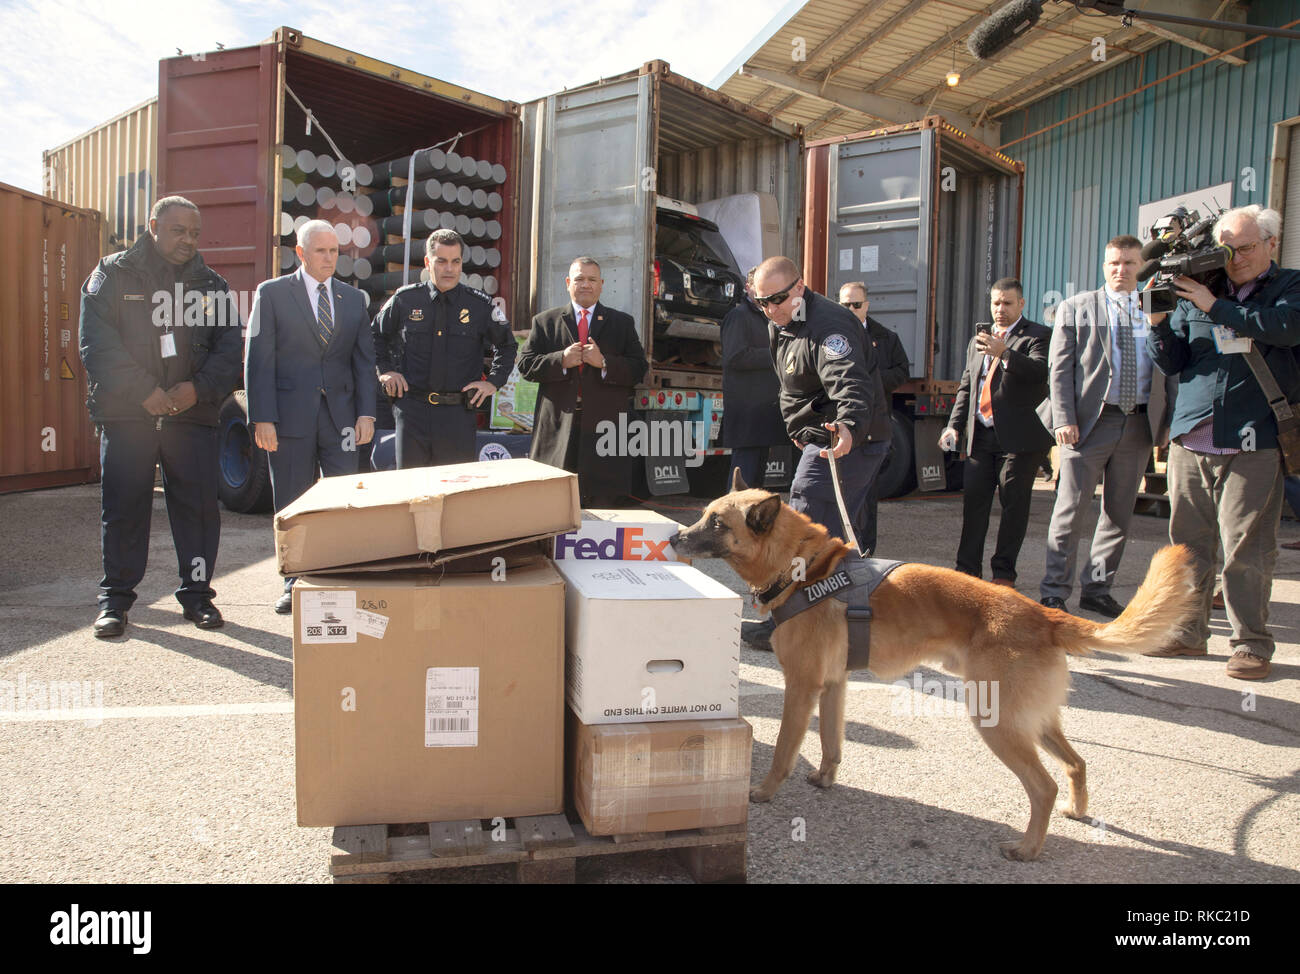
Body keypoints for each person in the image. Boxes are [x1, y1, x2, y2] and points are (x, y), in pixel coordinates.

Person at [1145, 204, 1300, 680]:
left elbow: (1285, 329)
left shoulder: (1288, 287)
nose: (1236, 257)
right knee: (1189, 545)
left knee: (1246, 548)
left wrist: (1215, 306)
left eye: (1246, 247)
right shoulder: (1199, 291)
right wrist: (1155, 322)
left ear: (1271, 244)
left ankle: (1251, 643)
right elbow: (1173, 363)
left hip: (1254, 437)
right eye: (1227, 248)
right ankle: (1189, 634)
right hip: (1193, 435)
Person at [79, 195, 241, 638]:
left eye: (194, 233)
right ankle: (115, 600)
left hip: (191, 418)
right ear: (153, 225)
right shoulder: (112, 274)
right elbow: (96, 343)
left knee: (198, 510)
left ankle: (197, 594)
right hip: (129, 417)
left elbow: (230, 349)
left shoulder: (212, 285)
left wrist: (198, 389)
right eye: (178, 230)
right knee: (124, 507)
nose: (188, 240)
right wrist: (143, 393)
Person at [1037, 235, 1177, 616]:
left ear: (1140, 267)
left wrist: (1165, 423)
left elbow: (1170, 364)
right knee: (1070, 511)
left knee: (1118, 514)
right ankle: (1054, 592)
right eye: (1114, 263)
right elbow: (1059, 369)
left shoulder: (1156, 308)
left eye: (1130, 263)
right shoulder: (1077, 307)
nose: (1121, 270)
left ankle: (1098, 588)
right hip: (1087, 424)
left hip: (1138, 425)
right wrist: (1063, 419)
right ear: (1104, 266)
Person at [245, 219, 377, 614]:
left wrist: (366, 413)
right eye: (321, 251)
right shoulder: (272, 294)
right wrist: (262, 418)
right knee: (293, 499)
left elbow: (363, 362)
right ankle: (294, 580)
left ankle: (339, 572)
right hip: (288, 419)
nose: (329, 258)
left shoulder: (353, 300)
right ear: (300, 253)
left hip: (341, 419)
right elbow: (258, 360)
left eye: (334, 251)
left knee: (342, 499)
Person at [941, 277, 1053, 586]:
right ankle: (967, 572)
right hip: (981, 435)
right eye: (995, 303)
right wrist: (954, 424)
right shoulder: (979, 339)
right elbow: (968, 384)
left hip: (1018, 440)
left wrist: (1004, 353)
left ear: (1021, 304)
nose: (1000, 309)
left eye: (1007, 303)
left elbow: (1038, 372)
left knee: (1013, 507)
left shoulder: (1038, 335)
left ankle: (1003, 573)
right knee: (974, 505)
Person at [371, 229, 515, 468]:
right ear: (428, 262)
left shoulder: (479, 305)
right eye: (442, 261)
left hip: (457, 416)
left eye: (455, 262)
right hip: (413, 412)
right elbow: (375, 335)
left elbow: (507, 346)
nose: (449, 269)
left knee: (453, 490)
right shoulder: (405, 300)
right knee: (412, 489)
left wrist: (493, 382)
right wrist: (385, 370)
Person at [518, 257, 648, 506]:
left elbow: (639, 369)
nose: (585, 285)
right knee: (553, 500)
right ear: (568, 283)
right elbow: (526, 365)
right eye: (579, 279)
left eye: (591, 279)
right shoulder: (545, 322)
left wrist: (604, 363)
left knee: (602, 502)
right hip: (557, 426)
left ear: (601, 285)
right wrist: (561, 360)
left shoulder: (621, 323)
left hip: (604, 429)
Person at [838, 280, 909, 554]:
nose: (851, 309)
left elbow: (902, 371)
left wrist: (871, 380)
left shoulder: (886, 338)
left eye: (856, 304)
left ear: (866, 306)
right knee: (839, 493)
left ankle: (866, 551)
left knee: (867, 495)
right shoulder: (830, 335)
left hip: (873, 427)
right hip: (841, 426)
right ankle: (841, 548)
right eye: (845, 304)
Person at [721, 268, 786, 489]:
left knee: (756, 484)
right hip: (746, 415)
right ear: (748, 287)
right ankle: (734, 519)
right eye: (759, 287)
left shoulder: (768, 318)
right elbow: (735, 357)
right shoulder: (738, 316)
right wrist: (777, 353)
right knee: (742, 480)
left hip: (763, 415)